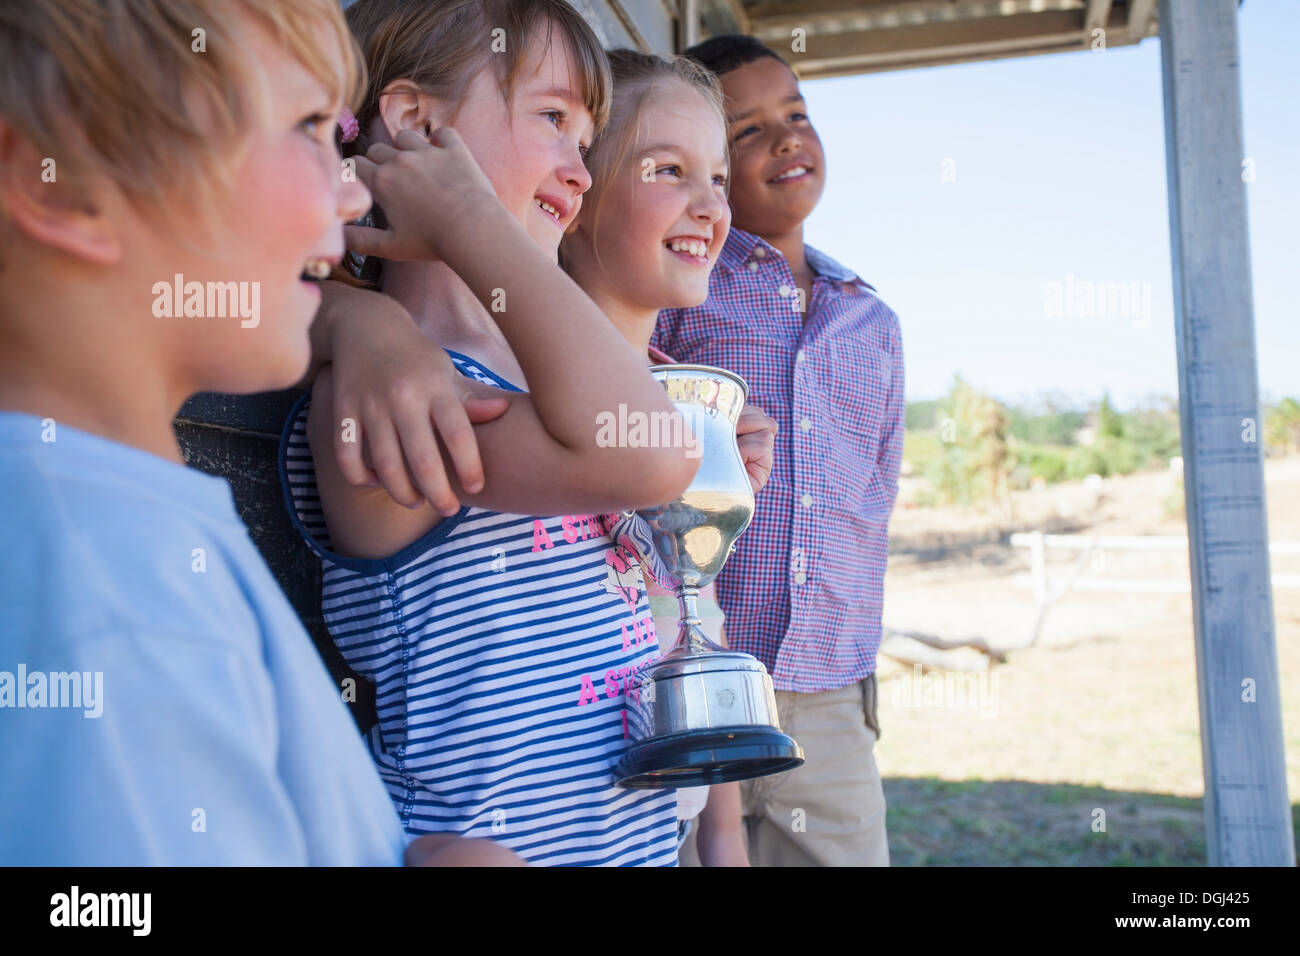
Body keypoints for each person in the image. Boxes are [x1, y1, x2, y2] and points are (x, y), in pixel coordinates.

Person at [0, 0, 517, 865]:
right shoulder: (112, 597)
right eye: (310, 126)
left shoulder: (99, 537)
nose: (354, 185)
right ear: (63, 186)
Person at [279, 0, 701, 865]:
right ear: (414, 121)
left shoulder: (514, 377)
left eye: (586, 142)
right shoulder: (395, 394)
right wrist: (463, 221)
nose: (579, 171)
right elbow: (651, 453)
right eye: (553, 119)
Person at [652, 35, 906, 867]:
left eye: (795, 115)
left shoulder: (871, 320)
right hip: (688, 674)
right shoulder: (684, 284)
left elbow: (875, 492)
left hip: (829, 694)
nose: (787, 139)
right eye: (748, 130)